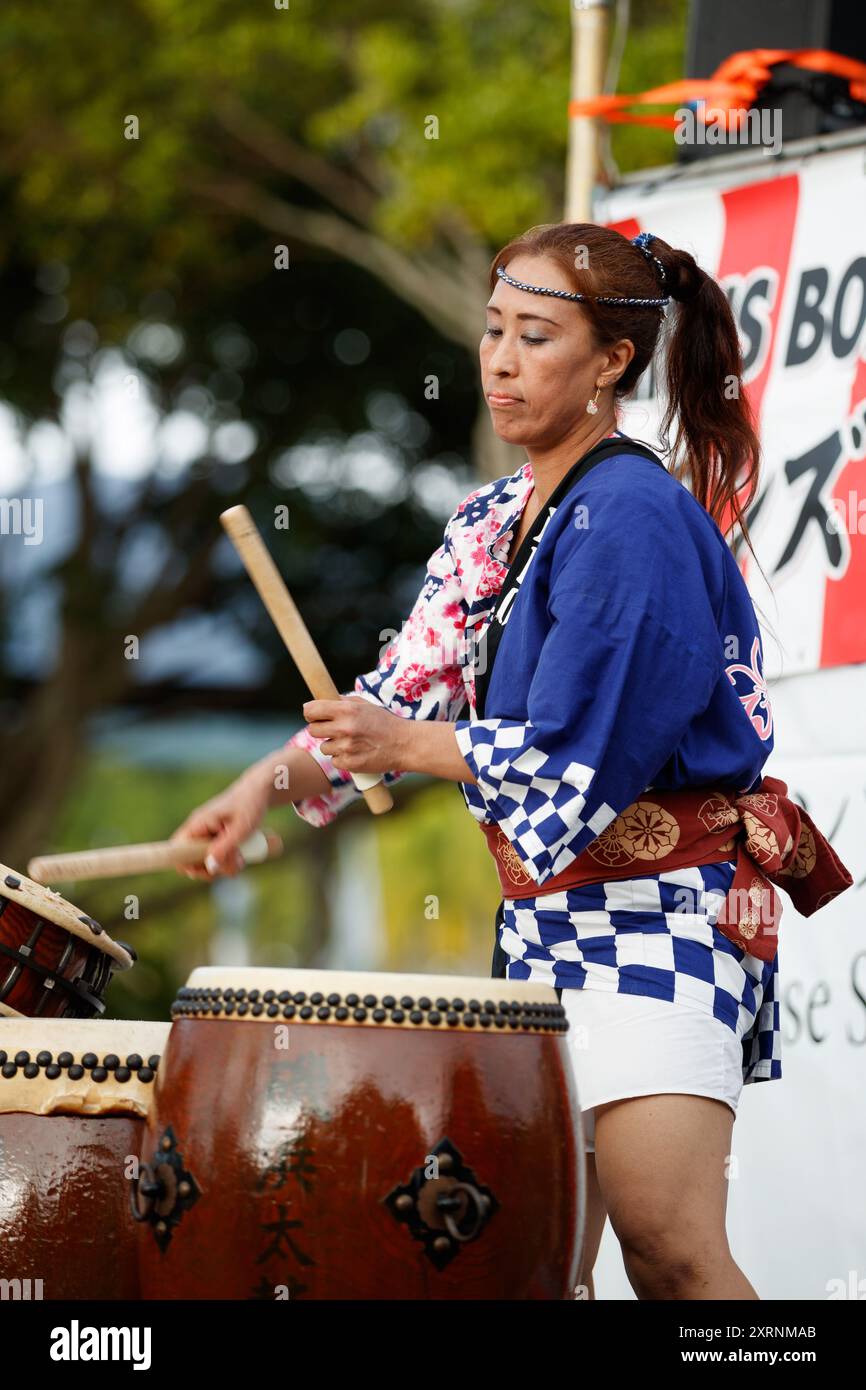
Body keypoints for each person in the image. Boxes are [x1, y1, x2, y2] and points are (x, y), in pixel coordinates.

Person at [173, 222, 850, 1301]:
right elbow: (398, 701)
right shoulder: (494, 519)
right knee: (538, 1263)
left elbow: (579, 759)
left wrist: (404, 745)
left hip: (658, 916)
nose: (497, 359)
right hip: (540, 928)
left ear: (611, 361)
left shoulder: (630, 515)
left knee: (668, 1244)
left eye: (534, 336)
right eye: (492, 331)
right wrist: (267, 781)